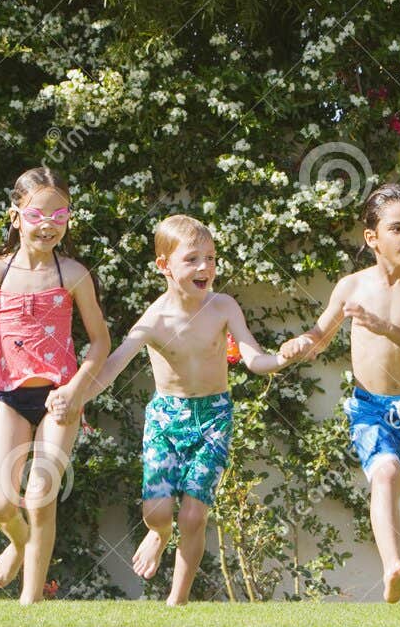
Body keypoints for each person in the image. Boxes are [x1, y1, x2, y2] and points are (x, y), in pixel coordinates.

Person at [83, 214, 291, 604]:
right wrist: (76, 397)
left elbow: (252, 357)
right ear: (164, 266)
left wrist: (279, 358)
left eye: (210, 258)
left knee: (194, 516)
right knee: (158, 513)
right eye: (193, 259)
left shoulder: (223, 306)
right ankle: (158, 534)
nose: (205, 268)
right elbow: (113, 366)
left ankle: (176, 601)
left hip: (214, 416)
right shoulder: (155, 319)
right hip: (166, 418)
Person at [0, 167, 110, 604]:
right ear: (16, 216)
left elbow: (100, 341)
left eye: (60, 215)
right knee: (1, 506)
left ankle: (30, 603)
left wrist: (75, 390)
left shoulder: (72, 274)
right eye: (38, 214)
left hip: (59, 397)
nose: (49, 224)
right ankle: (17, 544)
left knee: (39, 497)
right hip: (11, 397)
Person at [283, 184, 400, 604]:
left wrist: (384, 326)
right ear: (372, 238)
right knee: (386, 473)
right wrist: (300, 344)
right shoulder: (351, 286)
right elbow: (319, 335)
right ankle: (392, 569)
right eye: (398, 229)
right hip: (370, 406)